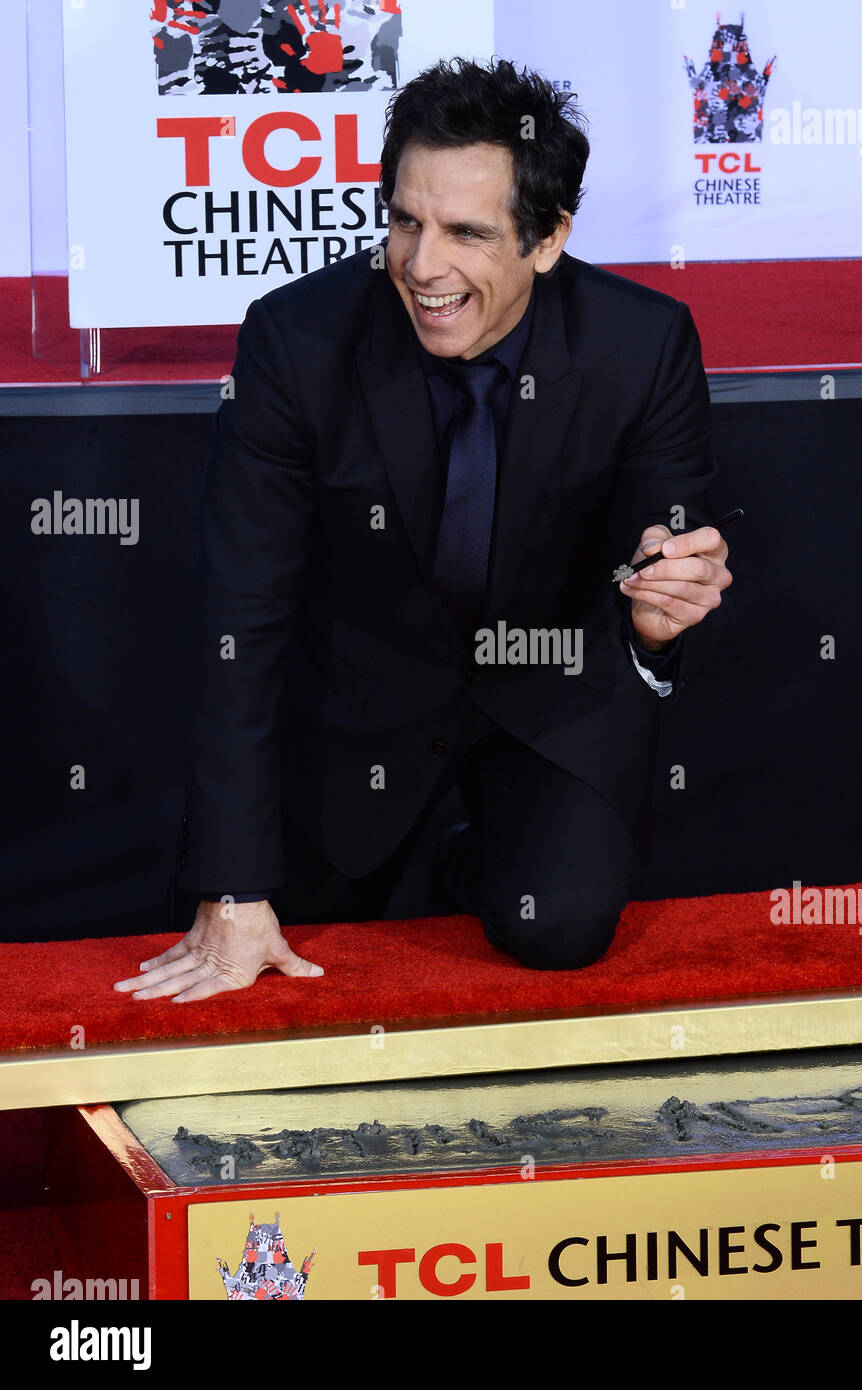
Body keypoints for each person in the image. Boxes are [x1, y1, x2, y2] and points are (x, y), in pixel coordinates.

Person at [114, 57, 731, 1004]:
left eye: (466, 233)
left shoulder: (642, 345)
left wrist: (660, 614)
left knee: (559, 929)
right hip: (351, 696)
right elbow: (241, 612)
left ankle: (462, 860)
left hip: (546, 688)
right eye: (405, 220)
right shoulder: (295, 339)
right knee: (275, 948)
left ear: (548, 238)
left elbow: (663, 549)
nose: (421, 264)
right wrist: (231, 884)